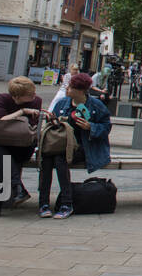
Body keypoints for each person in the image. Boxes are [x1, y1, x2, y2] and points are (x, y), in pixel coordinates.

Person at [38, 72, 112, 219]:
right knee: (46, 159)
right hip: (59, 144)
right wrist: (53, 121)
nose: (67, 89)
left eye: (70, 87)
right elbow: (52, 126)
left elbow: (106, 126)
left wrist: (91, 127)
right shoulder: (62, 103)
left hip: (84, 147)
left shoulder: (95, 105)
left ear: (80, 90)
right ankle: (43, 203)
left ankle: (67, 203)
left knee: (60, 159)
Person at [0, 76, 43, 217]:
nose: (34, 96)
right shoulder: (2, 99)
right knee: (0, 154)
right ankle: (17, 188)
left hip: (23, 145)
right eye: (30, 95)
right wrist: (22, 112)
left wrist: (14, 118)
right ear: (17, 96)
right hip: (5, 143)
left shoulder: (36, 101)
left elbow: (30, 128)